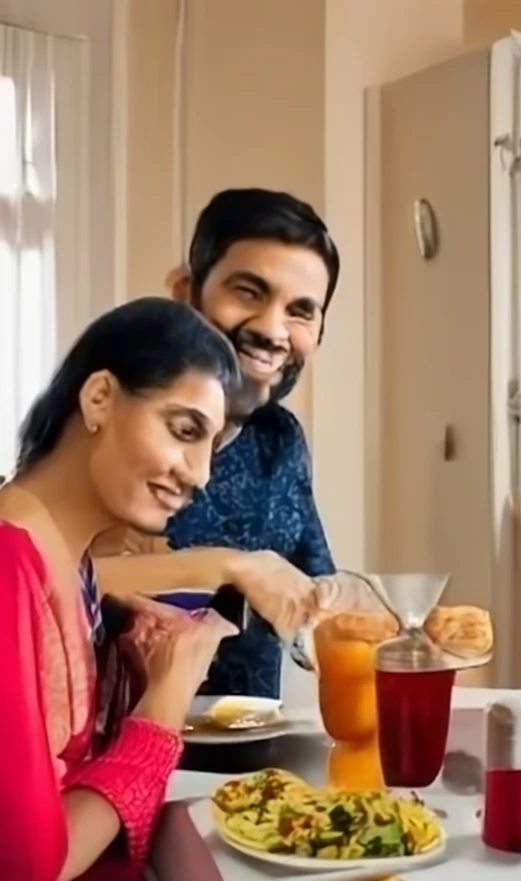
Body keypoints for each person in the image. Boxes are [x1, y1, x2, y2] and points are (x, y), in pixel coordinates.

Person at [0, 298, 241, 881]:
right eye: (183, 429)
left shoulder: (66, 562)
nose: (198, 474)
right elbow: (25, 874)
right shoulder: (9, 564)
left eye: (211, 448)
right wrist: (160, 712)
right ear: (100, 397)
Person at [95, 188, 341, 698]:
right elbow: (35, 580)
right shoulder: (110, 417)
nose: (274, 330)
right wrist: (229, 567)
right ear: (185, 291)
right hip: (108, 756)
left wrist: (409, 631)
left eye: (301, 311)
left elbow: (319, 598)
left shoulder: (280, 439)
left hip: (252, 763)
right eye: (249, 291)